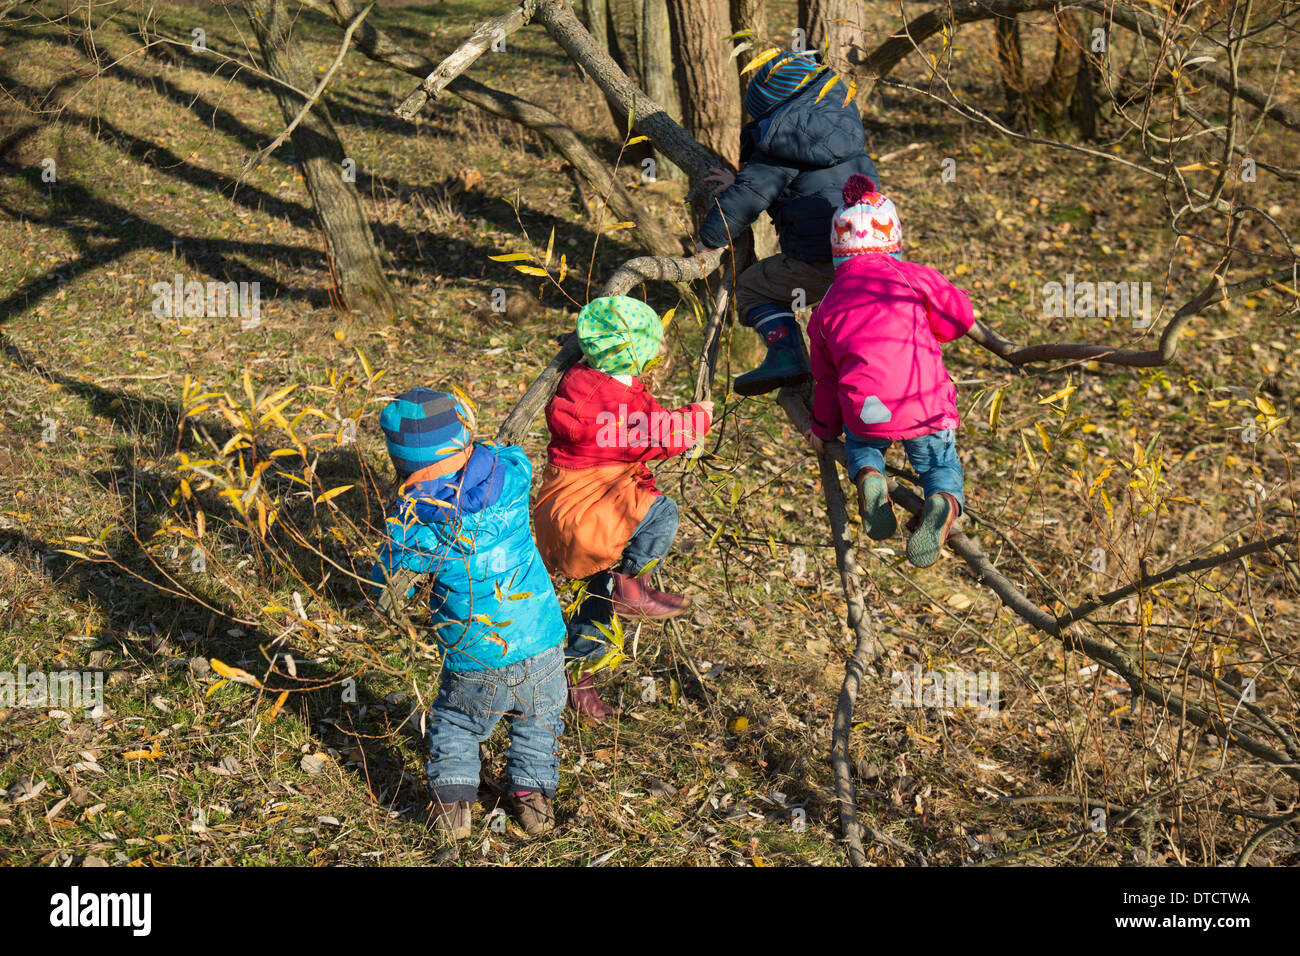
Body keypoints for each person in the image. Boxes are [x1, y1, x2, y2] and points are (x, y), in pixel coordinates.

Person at [372, 388, 567, 839]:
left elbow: (391, 572)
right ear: (464, 436)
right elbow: (515, 456)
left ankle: (453, 811)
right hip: (542, 638)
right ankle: (533, 802)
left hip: (476, 654)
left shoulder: (414, 524)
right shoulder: (510, 478)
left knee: (459, 723)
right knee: (539, 721)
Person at [533, 296, 713, 722]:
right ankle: (630, 585)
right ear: (640, 351)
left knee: (592, 597)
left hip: (563, 507)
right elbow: (654, 435)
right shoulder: (613, 405)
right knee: (662, 512)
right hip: (592, 507)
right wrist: (696, 419)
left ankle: (579, 681)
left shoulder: (582, 381)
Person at [803, 175, 974, 568]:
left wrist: (823, 429)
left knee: (863, 445)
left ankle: (868, 476)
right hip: (923, 403)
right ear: (893, 238)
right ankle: (943, 502)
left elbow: (826, 381)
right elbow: (958, 320)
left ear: (838, 249)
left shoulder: (827, 304)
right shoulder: (912, 276)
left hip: (867, 409)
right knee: (939, 464)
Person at [695, 49, 880, 397]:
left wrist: (710, 238)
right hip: (872, 257)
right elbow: (804, 180)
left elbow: (752, 196)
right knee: (851, 330)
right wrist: (741, 182)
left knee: (752, 286)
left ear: (774, 113)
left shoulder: (782, 139)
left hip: (819, 259)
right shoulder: (841, 121)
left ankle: (786, 355)